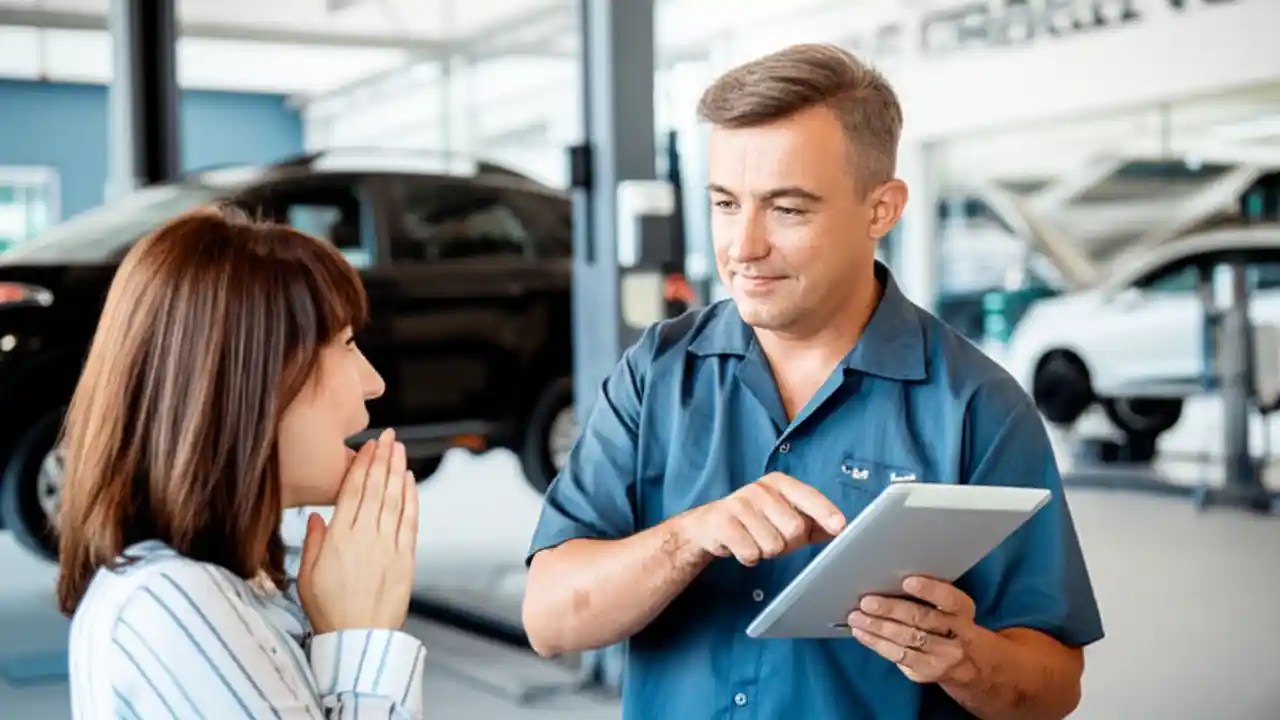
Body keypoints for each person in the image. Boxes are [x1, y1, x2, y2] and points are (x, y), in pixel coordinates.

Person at [523, 43, 1104, 720]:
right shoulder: (656, 375)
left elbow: (1054, 685)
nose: (743, 247)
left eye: (788, 209)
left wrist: (966, 657)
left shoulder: (976, 406)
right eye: (725, 204)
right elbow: (550, 619)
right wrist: (688, 537)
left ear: (881, 209)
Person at [57, 207, 426, 719]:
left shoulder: (237, 585)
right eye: (344, 343)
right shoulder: (176, 602)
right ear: (256, 381)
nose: (373, 382)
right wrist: (363, 639)